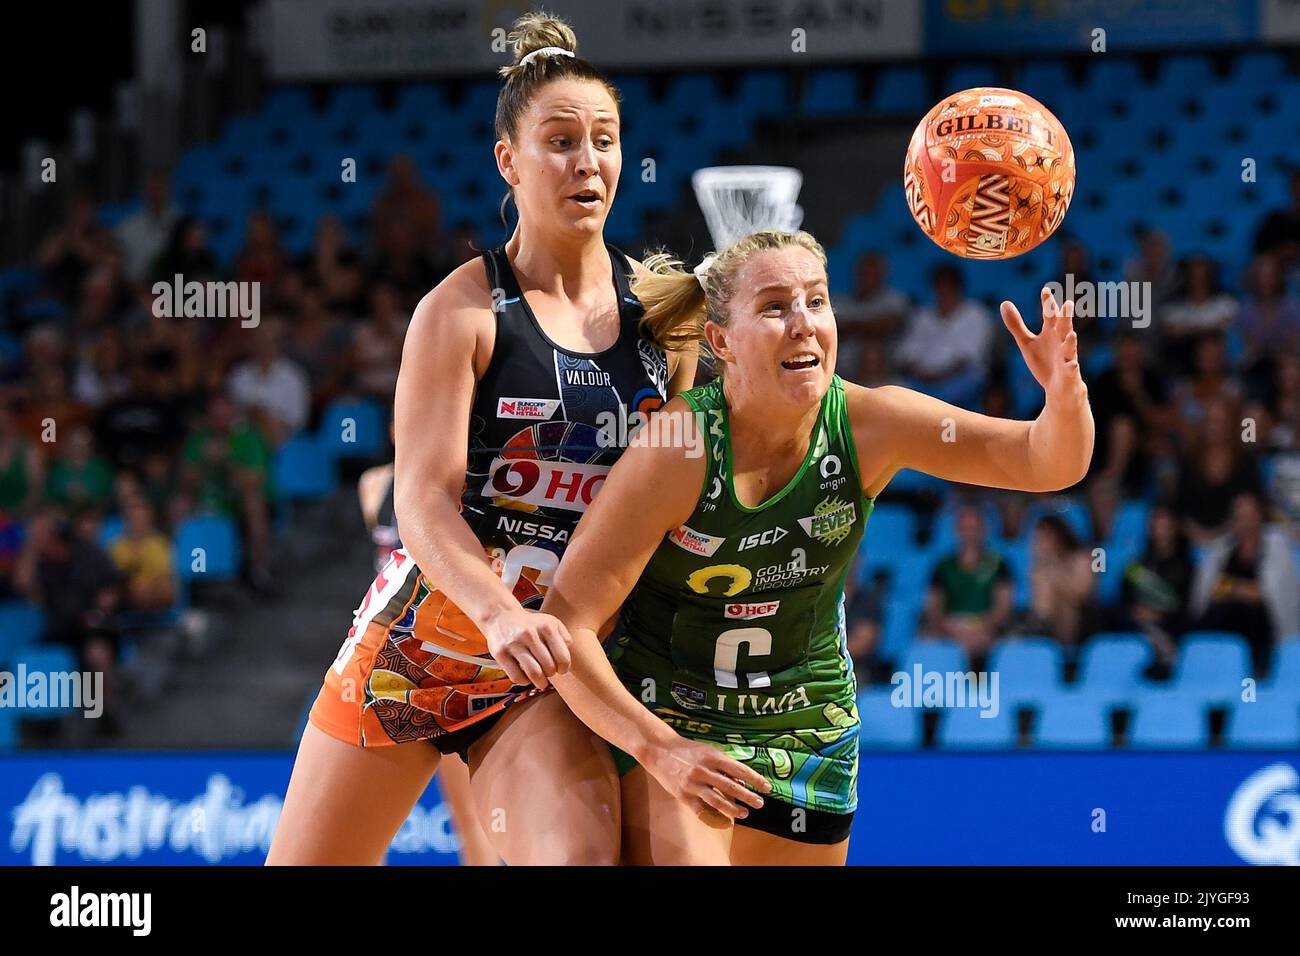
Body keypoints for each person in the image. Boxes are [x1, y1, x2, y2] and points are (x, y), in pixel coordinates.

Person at [269, 12, 755, 867]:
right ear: (509, 161)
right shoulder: (459, 311)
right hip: (420, 650)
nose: (587, 162)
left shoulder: (665, 323)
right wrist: (494, 612)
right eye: (560, 141)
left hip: (550, 662)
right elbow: (420, 497)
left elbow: (669, 504)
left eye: (603, 140)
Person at [538, 229, 1093, 864]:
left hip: (808, 728)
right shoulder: (679, 446)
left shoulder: (869, 423)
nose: (803, 324)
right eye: (774, 306)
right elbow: (566, 624)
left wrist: (1064, 392)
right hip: (671, 717)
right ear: (720, 341)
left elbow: (1047, 464)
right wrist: (657, 747)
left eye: (817, 301)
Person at [1190, 491, 1299, 677]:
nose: (1245, 522)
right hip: (1224, 621)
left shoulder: (1278, 548)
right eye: (1240, 517)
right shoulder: (1222, 550)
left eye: (1249, 516)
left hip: (1263, 625)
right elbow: (1211, 591)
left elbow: (1268, 594)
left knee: (1241, 611)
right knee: (1216, 616)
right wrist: (1242, 589)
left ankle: (1252, 684)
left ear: (1259, 516)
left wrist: (1231, 587)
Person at [922, 503, 1014, 667]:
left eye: (974, 527)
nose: (970, 533)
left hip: (986, 630)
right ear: (957, 531)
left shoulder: (999, 564)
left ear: (984, 530)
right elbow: (934, 606)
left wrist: (980, 627)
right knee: (924, 642)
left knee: (1006, 645)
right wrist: (950, 628)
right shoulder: (943, 566)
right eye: (965, 527)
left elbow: (1003, 607)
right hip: (949, 628)